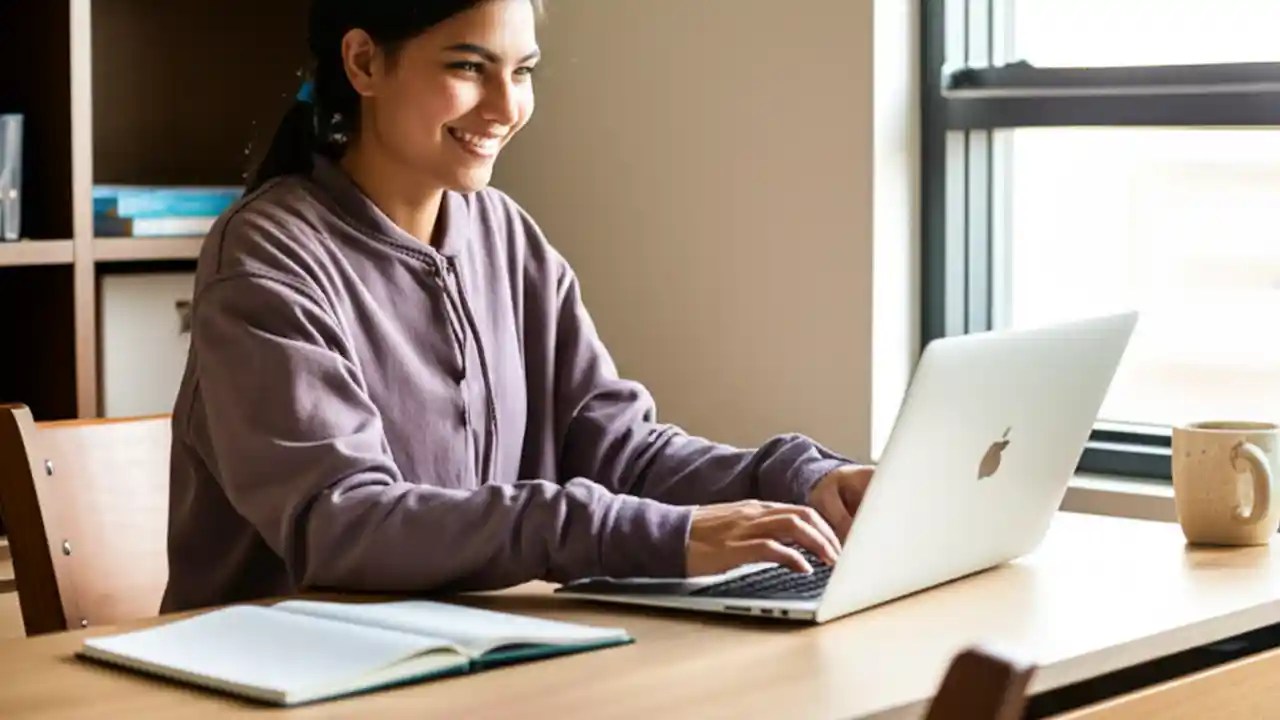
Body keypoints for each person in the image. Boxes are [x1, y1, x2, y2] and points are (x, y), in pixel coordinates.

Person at [161, 0, 875, 613]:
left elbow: (616, 448)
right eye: (469, 67)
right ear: (364, 63)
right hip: (288, 679)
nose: (507, 107)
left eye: (523, 71)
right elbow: (341, 524)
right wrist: (654, 534)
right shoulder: (267, 256)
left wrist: (801, 482)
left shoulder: (504, 233)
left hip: (467, 658)